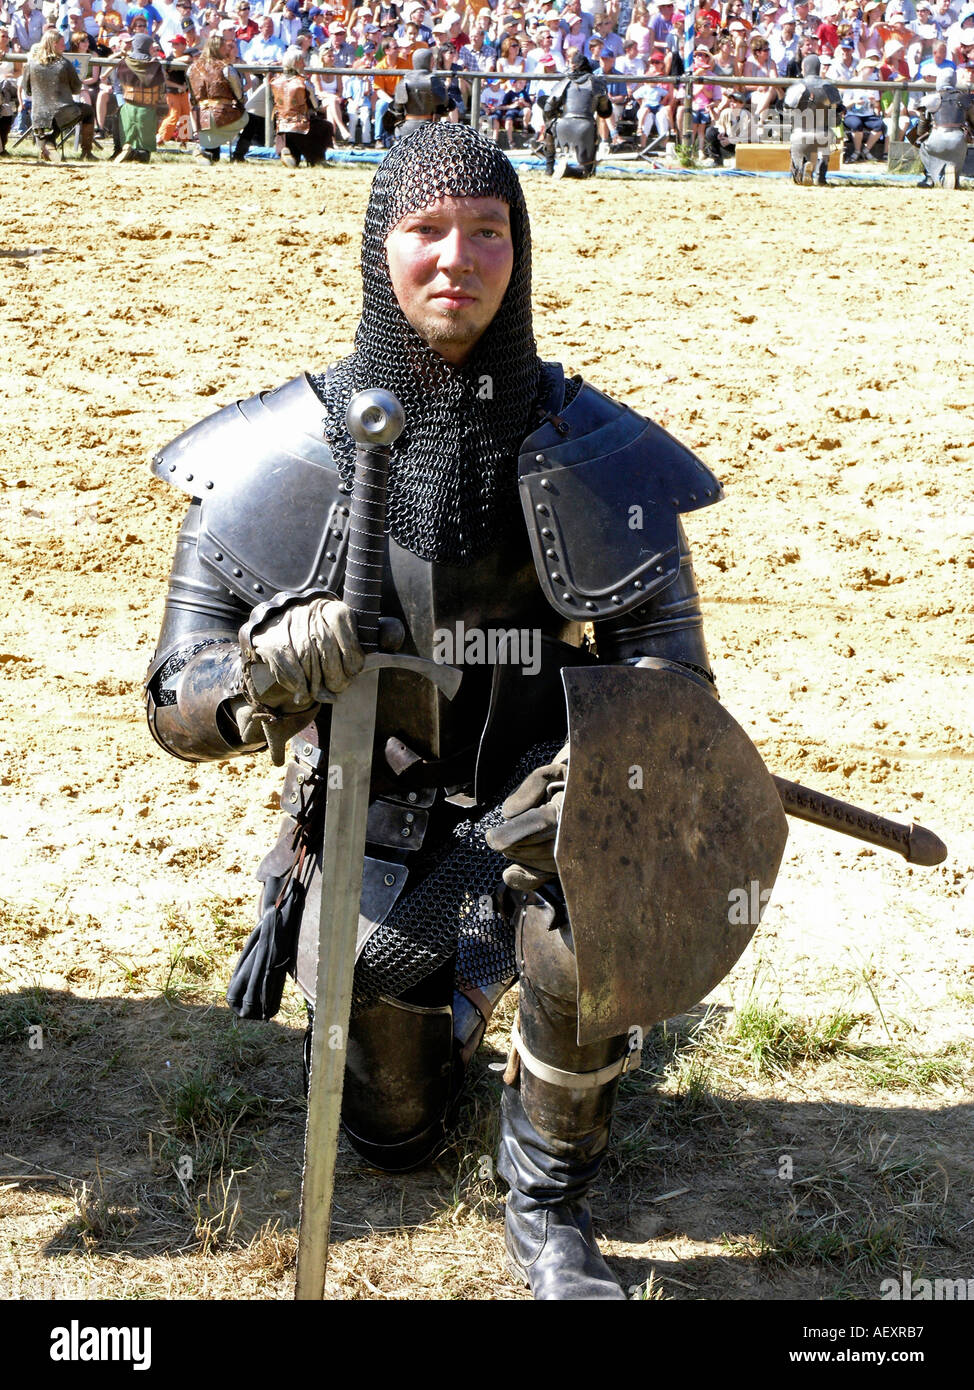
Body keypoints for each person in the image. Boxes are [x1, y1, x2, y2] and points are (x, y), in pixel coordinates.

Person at [145, 122, 727, 1301]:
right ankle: (450, 1021)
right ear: (380, 249)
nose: (454, 258)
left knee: (586, 919)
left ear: (518, 252)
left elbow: (678, 694)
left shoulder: (595, 451)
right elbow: (172, 700)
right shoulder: (272, 455)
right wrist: (262, 675)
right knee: (394, 1135)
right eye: (425, 232)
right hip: (378, 817)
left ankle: (547, 1200)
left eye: (485, 232)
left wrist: (604, 770)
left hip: (538, 800)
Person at [22, 28, 96, 161]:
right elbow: (77, 89)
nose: (64, 46)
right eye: (62, 43)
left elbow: (27, 89)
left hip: (39, 114)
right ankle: (86, 152)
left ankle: (48, 146)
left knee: (51, 126)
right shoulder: (64, 64)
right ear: (54, 44)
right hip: (64, 111)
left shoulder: (31, 64)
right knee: (88, 111)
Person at [542, 48, 612, 175]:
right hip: (586, 127)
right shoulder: (596, 82)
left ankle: (549, 168)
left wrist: (554, 118)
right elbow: (605, 111)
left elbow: (548, 108)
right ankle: (576, 171)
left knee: (550, 126)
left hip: (563, 125)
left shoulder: (565, 82)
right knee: (587, 171)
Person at [187, 25, 246, 163]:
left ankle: (206, 154)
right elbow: (239, 95)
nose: (227, 50)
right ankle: (238, 155)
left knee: (212, 139)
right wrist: (241, 102)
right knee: (252, 121)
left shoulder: (191, 69)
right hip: (222, 115)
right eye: (224, 47)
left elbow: (192, 97)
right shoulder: (226, 69)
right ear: (218, 49)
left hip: (200, 116)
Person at [785, 52, 842, 183]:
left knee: (797, 153)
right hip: (824, 134)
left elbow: (787, 107)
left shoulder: (797, 87)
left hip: (800, 134)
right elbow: (839, 109)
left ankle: (801, 169)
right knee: (826, 142)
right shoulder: (828, 87)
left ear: (804, 68)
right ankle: (821, 174)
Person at [271, 43, 331, 165]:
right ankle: (317, 159)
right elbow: (316, 107)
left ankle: (288, 152)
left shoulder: (275, 82)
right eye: (302, 61)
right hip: (302, 126)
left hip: (281, 126)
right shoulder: (304, 84)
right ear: (296, 63)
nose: (304, 64)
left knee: (290, 140)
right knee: (326, 126)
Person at [914, 65, 974, 184]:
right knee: (960, 149)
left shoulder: (930, 99)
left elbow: (921, 130)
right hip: (958, 140)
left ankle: (930, 178)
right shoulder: (964, 98)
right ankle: (954, 177)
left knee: (922, 146)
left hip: (937, 139)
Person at [113, 29, 166, 160]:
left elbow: (118, 82)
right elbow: (162, 89)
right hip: (148, 109)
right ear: (147, 46)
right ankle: (135, 153)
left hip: (128, 107)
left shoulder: (124, 63)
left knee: (129, 138)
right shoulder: (155, 66)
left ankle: (127, 150)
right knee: (145, 151)